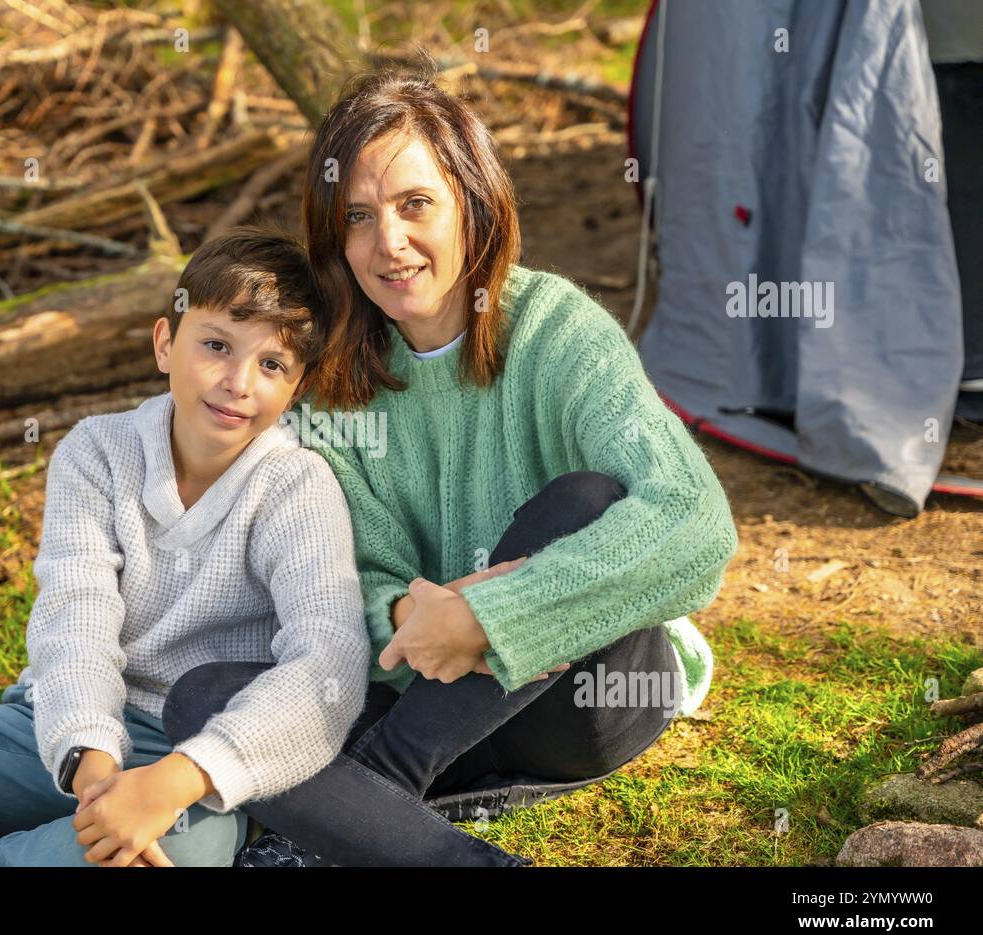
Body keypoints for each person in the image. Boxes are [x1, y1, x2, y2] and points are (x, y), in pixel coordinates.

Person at [162, 66, 739, 866]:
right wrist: (405, 617)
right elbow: (338, 576)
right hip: (421, 700)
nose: (388, 243)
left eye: (414, 205)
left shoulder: (556, 331)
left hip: (579, 696)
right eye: (358, 218)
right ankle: (428, 832)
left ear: (472, 198)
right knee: (204, 699)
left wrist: (493, 618)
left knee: (586, 501)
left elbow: (695, 521)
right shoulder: (329, 382)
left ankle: (366, 790)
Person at [0, 226, 370, 867]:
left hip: (185, 761)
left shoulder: (297, 487)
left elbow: (327, 664)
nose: (239, 382)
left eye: (271, 365)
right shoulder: (97, 453)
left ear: (297, 388)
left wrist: (171, 783)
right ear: (165, 342)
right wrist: (93, 768)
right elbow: (75, 624)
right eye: (216, 345)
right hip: (52, 736)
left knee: (195, 844)